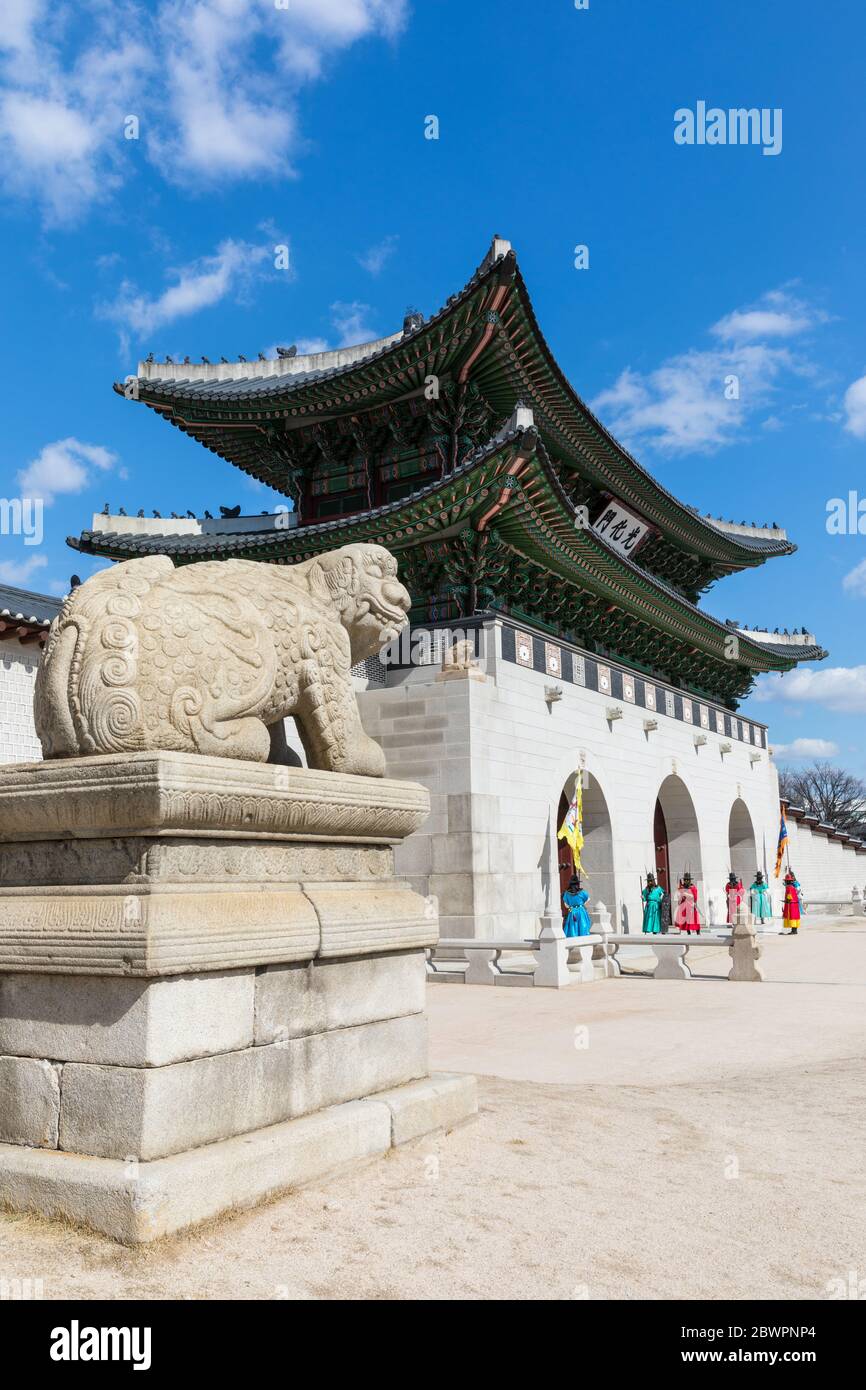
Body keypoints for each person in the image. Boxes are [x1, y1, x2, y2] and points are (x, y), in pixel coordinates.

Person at [562, 873, 592, 938]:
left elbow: (566, 905)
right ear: (577, 884)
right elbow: (588, 899)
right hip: (581, 911)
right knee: (583, 925)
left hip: (572, 911)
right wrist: (582, 904)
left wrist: (571, 907)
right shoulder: (582, 892)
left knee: (573, 927)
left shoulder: (567, 893)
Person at [783, 870, 802, 935]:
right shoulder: (793, 887)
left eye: (786, 881)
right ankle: (795, 930)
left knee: (792, 916)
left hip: (791, 904)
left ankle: (793, 931)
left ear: (787, 881)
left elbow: (789, 895)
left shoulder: (788, 887)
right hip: (795, 903)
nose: (785, 882)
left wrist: (786, 900)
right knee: (795, 916)